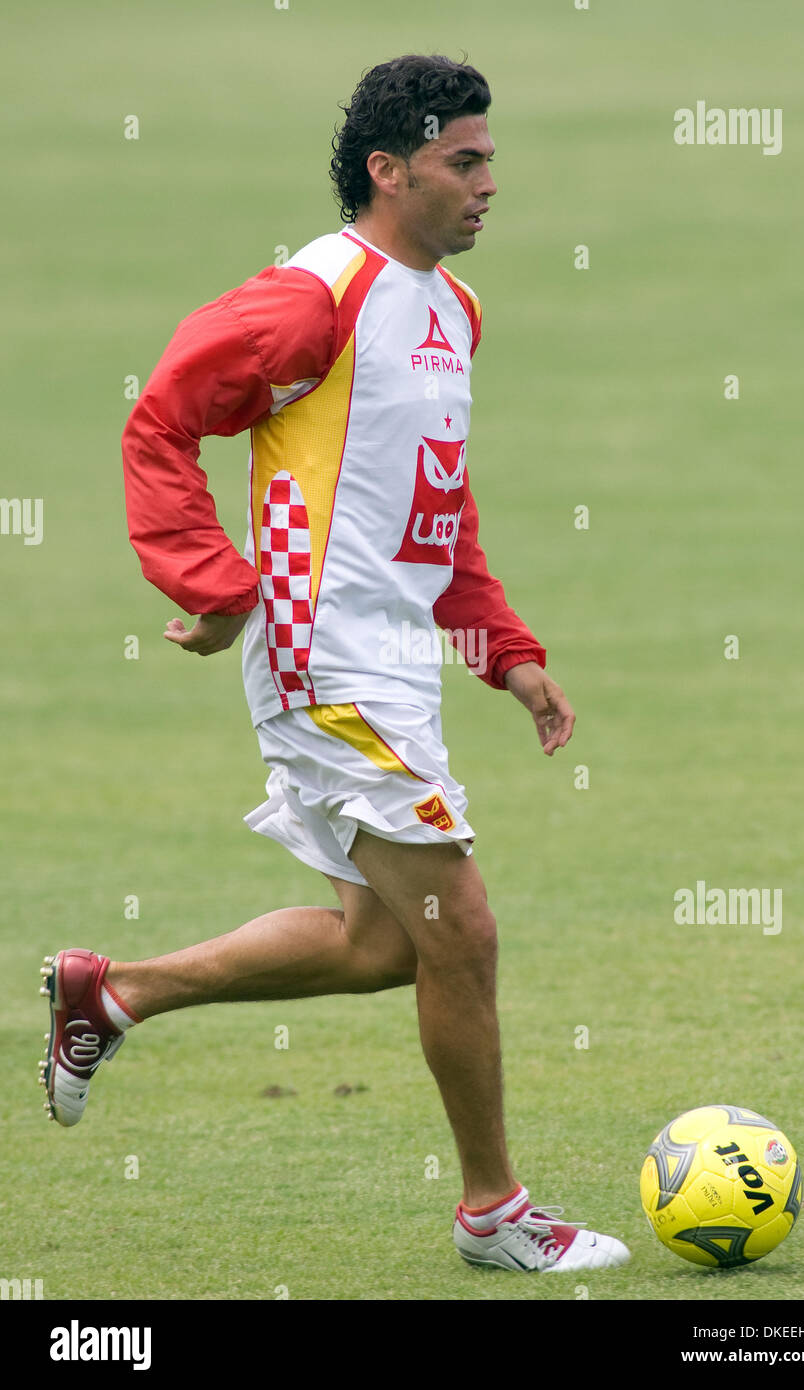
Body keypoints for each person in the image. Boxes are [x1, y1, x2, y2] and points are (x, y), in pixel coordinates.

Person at [39, 54, 629, 1275]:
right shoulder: (314, 298)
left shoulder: (452, 313)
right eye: (463, 161)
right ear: (387, 167)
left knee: (384, 944)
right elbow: (160, 420)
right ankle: (492, 1214)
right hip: (324, 661)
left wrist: (504, 653)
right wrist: (211, 587)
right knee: (459, 925)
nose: (487, 185)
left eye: (488, 161)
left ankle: (113, 992)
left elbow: (436, 510)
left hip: (397, 663)